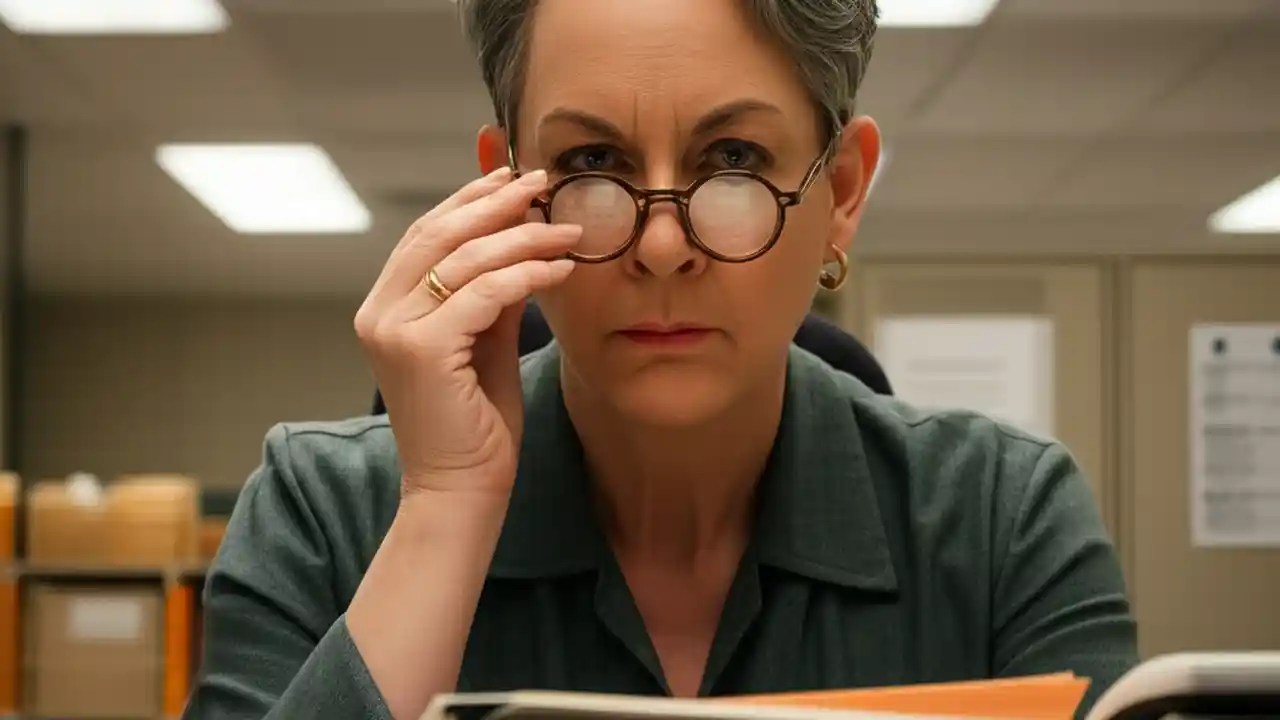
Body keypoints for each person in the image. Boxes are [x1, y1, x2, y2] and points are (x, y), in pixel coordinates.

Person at [184, 1, 1138, 719]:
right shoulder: (320, 513)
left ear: (840, 191)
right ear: (505, 192)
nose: (664, 247)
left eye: (732, 160)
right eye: (593, 166)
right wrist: (446, 507)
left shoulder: (1003, 520)